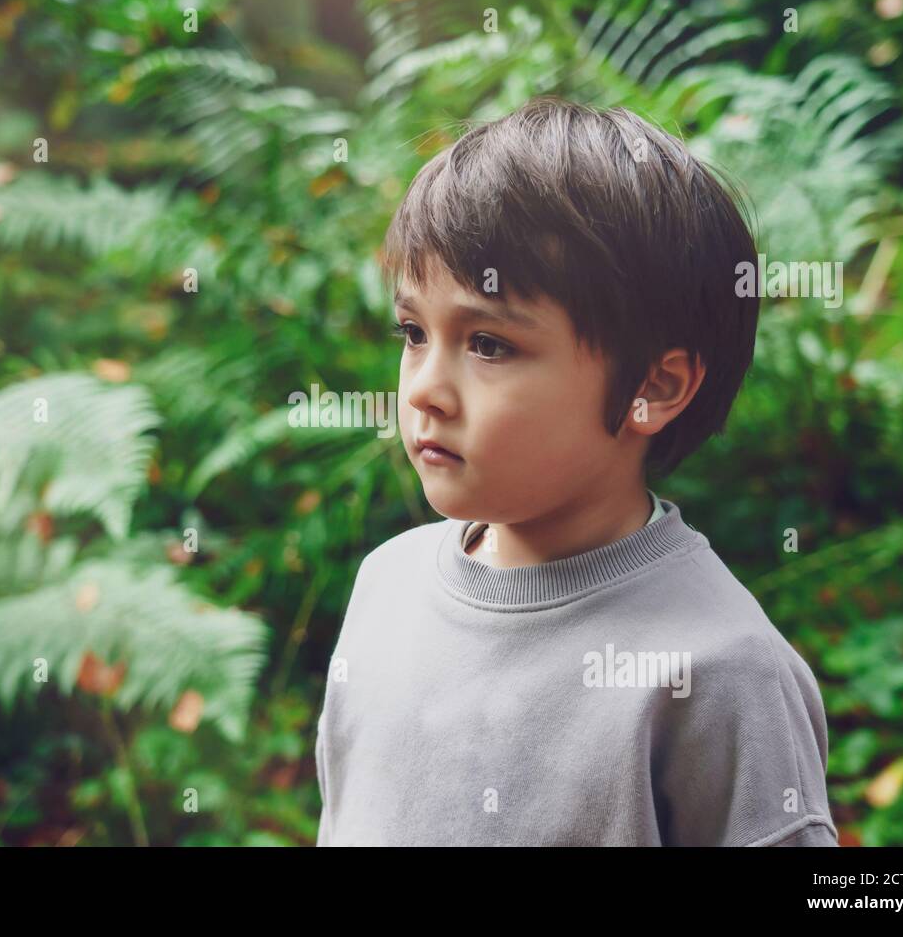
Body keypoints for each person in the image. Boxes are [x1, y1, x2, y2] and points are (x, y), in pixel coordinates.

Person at [314, 96, 838, 846]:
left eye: (489, 345)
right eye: (413, 332)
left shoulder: (719, 674)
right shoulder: (386, 587)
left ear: (653, 388)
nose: (424, 387)